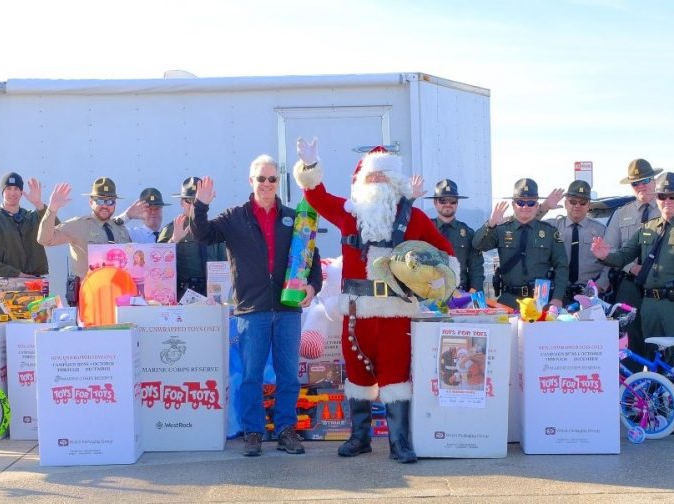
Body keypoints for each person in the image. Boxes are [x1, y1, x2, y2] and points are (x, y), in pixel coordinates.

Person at [293, 138, 456, 464]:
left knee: (396, 376)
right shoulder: (347, 214)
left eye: (384, 175)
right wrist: (310, 166)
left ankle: (399, 442)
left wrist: (439, 279)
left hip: (396, 313)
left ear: (395, 181)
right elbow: (315, 195)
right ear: (360, 181)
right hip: (356, 313)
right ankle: (360, 438)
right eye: (372, 176)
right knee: (357, 374)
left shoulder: (414, 218)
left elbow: (446, 254)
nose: (378, 181)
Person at [190, 155, 322, 457]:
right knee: (251, 375)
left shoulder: (294, 218)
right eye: (261, 178)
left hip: (288, 310)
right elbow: (202, 234)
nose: (266, 184)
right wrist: (201, 205)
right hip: (252, 310)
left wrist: (313, 287)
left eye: (272, 179)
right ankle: (253, 432)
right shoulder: (235, 217)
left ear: (278, 182)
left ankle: (286, 430)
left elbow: (311, 259)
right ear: (251, 181)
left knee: (289, 375)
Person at [603, 160, 674, 358]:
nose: (667, 200)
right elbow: (616, 251)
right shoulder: (623, 213)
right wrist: (622, 264)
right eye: (635, 183)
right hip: (635, 287)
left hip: (673, 295)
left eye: (645, 180)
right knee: (639, 346)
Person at [473, 178, 569, 310]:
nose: (525, 207)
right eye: (520, 202)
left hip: (541, 301)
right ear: (513, 205)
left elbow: (562, 267)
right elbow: (478, 245)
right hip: (509, 301)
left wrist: (557, 298)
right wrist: (490, 224)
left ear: (537, 206)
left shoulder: (549, 232)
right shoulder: (501, 229)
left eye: (531, 203)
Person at [37, 177, 133, 297]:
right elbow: (45, 240)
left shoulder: (121, 230)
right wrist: (52, 209)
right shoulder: (78, 225)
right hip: (89, 297)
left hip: (119, 296)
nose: (105, 206)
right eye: (100, 201)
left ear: (114, 204)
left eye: (110, 201)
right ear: (91, 202)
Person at [158, 177, 228, 300]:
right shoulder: (171, 229)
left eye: (197, 200)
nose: (193, 205)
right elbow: (157, 263)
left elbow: (224, 262)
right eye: (189, 200)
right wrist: (173, 240)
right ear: (181, 202)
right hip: (183, 294)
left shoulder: (214, 228)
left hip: (213, 292)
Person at [0, 172, 53, 279]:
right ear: (2, 192)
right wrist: (17, 274)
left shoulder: (33, 217)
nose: (13, 193)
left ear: (21, 192)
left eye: (16, 188)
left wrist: (38, 203)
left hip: (35, 282)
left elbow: (57, 229)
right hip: (6, 283)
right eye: (8, 188)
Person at [552, 180, 609, 304]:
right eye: (573, 201)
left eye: (582, 202)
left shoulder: (600, 230)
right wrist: (544, 207)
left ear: (588, 205)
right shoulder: (553, 226)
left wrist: (599, 286)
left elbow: (609, 262)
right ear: (565, 203)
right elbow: (528, 222)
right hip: (558, 294)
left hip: (590, 295)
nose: (577, 206)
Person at [426, 179, 485, 292]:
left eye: (452, 201)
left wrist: (474, 295)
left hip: (459, 295)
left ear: (457, 203)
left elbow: (476, 269)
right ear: (435, 202)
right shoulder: (424, 230)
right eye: (443, 200)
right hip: (430, 293)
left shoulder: (468, 233)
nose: (448, 204)